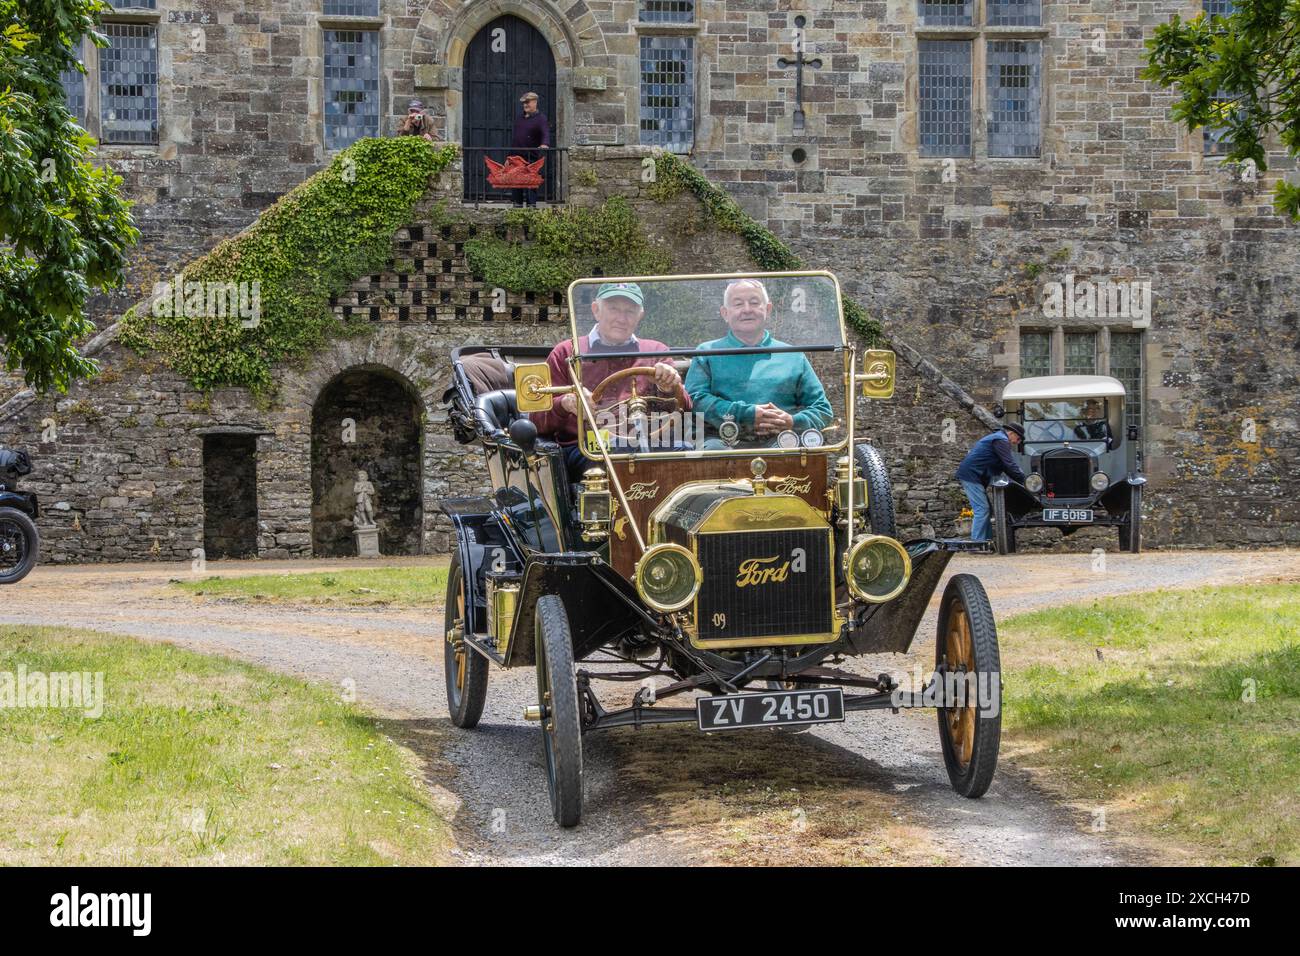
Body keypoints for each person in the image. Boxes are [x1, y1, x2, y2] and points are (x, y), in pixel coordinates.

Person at [530, 282, 689, 481]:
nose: (622, 318)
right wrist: (566, 403)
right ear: (596, 310)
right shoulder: (568, 352)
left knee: (689, 453)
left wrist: (669, 387)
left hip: (649, 440)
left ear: (640, 315)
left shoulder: (656, 351)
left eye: (630, 311)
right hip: (587, 447)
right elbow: (537, 419)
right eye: (614, 309)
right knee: (620, 451)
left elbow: (686, 409)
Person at [684, 278, 832, 449]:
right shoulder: (706, 352)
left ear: (768, 309)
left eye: (754, 302)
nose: (747, 310)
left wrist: (791, 422)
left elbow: (822, 409)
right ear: (725, 313)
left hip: (778, 441)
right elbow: (694, 400)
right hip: (721, 441)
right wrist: (746, 414)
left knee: (788, 452)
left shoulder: (792, 355)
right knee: (713, 453)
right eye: (738, 304)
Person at [955, 422, 1026, 542]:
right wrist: (1025, 480)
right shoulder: (1001, 440)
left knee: (987, 510)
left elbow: (1005, 466)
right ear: (1011, 433)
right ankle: (977, 544)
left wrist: (1021, 480)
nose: (1017, 442)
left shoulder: (998, 438)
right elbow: (1009, 464)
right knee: (982, 509)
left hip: (974, 475)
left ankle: (987, 542)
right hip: (971, 475)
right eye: (1018, 438)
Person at [510, 91, 550, 207]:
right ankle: (517, 209)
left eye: (527, 102)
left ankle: (531, 210)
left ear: (535, 102)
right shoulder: (519, 119)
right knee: (516, 184)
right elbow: (515, 138)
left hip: (530, 158)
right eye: (524, 103)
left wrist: (545, 144)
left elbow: (545, 133)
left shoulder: (541, 119)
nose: (525, 105)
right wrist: (509, 157)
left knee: (530, 185)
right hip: (516, 158)